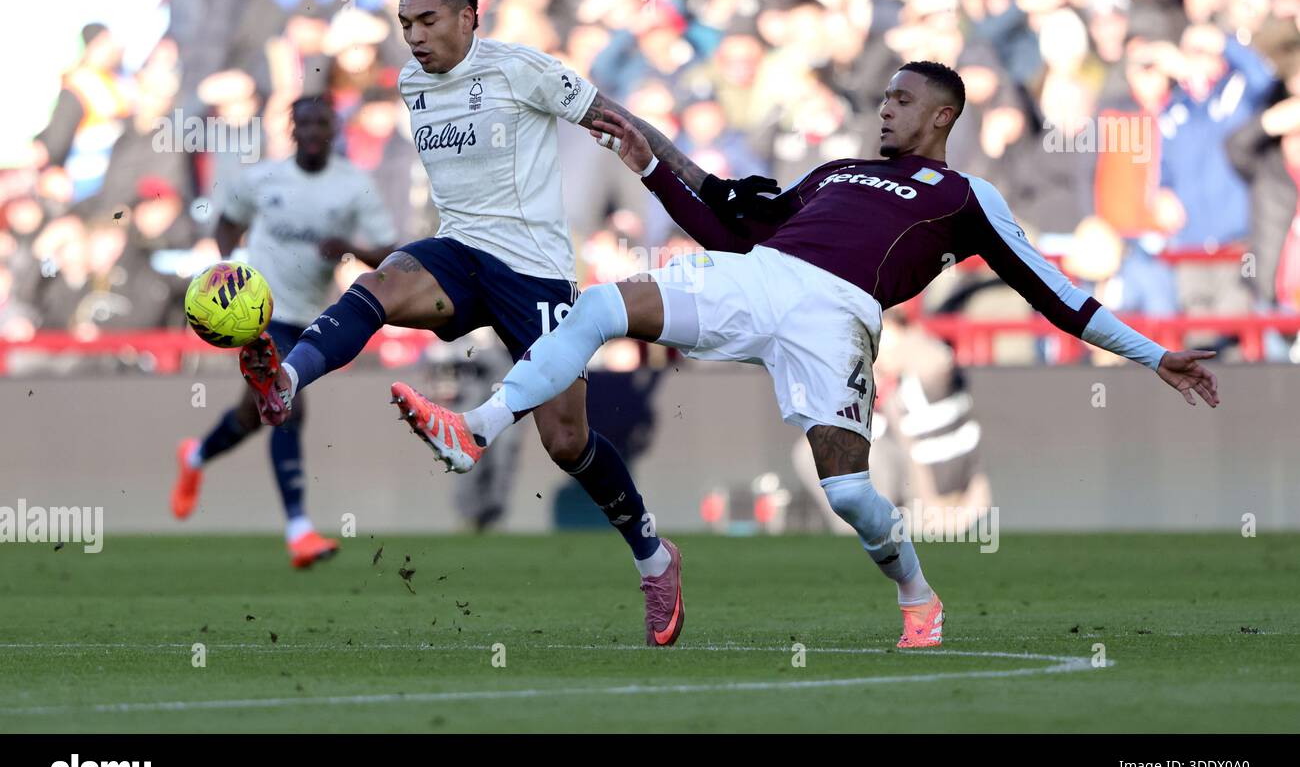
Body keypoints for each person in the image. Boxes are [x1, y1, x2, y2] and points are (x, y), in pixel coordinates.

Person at [392, 61, 1220, 649]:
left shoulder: (966, 197)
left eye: (903, 100)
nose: (886, 109)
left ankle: (917, 594)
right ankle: (481, 426)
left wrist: (1153, 355)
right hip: (760, 277)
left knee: (850, 493)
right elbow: (730, 227)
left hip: (839, 320)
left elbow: (1052, 292)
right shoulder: (838, 171)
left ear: (943, 116)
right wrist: (650, 167)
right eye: (884, 98)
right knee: (600, 303)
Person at [239, 0, 686, 646]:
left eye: (427, 20)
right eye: (404, 23)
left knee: (567, 443)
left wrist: (699, 191)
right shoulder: (412, 80)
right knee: (378, 285)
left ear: (467, 16)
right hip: (460, 253)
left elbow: (617, 121)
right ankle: (287, 380)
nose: (413, 37)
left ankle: (654, 559)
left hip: (536, 272)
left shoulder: (522, 69)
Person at [171, 95, 398, 568]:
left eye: (323, 124)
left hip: (314, 317)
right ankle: (299, 530)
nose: (314, 132)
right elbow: (228, 221)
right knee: (286, 405)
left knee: (255, 414)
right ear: (293, 129)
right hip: (263, 314)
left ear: (334, 129)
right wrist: (228, 269)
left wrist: (352, 248)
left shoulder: (354, 186)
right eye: (305, 123)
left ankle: (195, 456)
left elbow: (391, 258)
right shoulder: (263, 178)